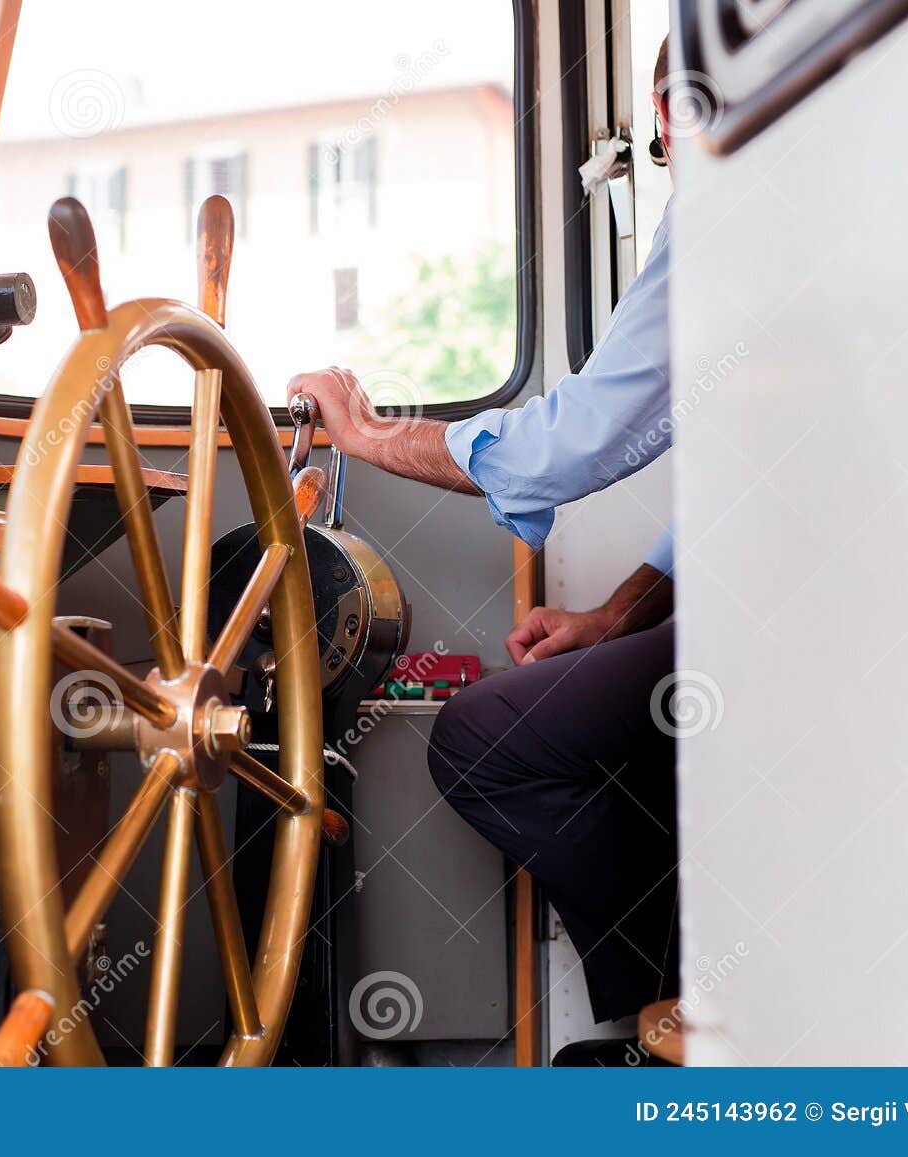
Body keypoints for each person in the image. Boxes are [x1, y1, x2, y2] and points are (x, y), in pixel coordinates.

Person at [286, 40, 683, 1064]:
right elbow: (734, 491)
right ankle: (678, 1004)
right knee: (602, 736)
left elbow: (573, 442)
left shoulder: (731, 221)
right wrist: (616, 613)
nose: (671, 150)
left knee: (484, 740)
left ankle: (679, 996)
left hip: (788, 612)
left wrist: (369, 436)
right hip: (758, 596)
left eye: (663, 128)